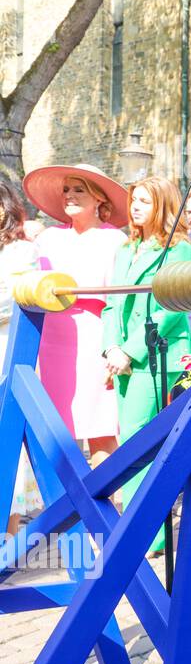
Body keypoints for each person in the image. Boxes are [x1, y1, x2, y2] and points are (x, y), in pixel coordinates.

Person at [101, 176, 191, 552]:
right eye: (133, 199)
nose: (135, 206)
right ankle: (143, 529)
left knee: (137, 441)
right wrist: (110, 348)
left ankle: (145, 533)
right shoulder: (126, 249)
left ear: (163, 206)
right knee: (132, 440)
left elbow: (171, 307)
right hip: (122, 359)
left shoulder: (179, 249)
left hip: (156, 356)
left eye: (144, 201)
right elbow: (110, 302)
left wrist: (131, 350)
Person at [22, 165, 128, 470]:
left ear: (98, 199)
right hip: (52, 338)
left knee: (100, 426)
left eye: (78, 190)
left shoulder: (115, 241)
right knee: (56, 428)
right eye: (66, 190)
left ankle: (106, 511)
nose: (69, 195)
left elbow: (120, 300)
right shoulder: (48, 239)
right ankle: (64, 510)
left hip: (96, 334)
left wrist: (115, 345)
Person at [1, 183, 40, 537]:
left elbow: (10, 298)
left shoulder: (23, 251)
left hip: (9, 351)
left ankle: (7, 541)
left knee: (6, 444)